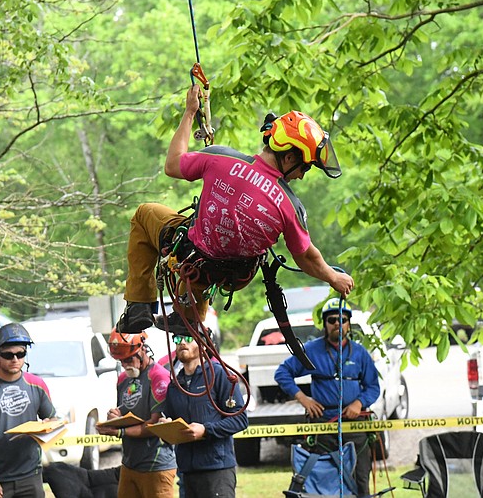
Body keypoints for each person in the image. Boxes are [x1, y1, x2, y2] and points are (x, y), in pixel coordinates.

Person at [116, 84, 354, 334]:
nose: (302, 177)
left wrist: (189, 113)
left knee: (147, 214)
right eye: (304, 168)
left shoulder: (221, 158)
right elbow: (307, 257)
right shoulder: (289, 205)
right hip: (231, 276)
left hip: (194, 253)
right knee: (209, 248)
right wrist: (333, 277)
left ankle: (139, 306)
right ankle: (190, 315)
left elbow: (173, 165)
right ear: (289, 157)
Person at [274, 298, 380, 497]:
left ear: (349, 323)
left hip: (354, 424)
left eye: (343, 319)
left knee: (360, 478)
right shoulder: (312, 350)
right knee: (323, 477)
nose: (337, 324)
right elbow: (282, 373)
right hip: (323, 424)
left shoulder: (359, 353)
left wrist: (359, 403)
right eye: (332, 320)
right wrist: (303, 398)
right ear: (325, 323)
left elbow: (373, 387)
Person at [0, 323, 57, 498]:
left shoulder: (37, 385)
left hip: (31, 476)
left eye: (21, 354)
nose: (15, 359)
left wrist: (47, 427)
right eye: (8, 355)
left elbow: (53, 421)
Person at [162, 330, 248, 498]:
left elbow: (240, 420)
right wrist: (165, 427)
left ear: (203, 346)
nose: (182, 342)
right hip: (186, 472)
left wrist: (205, 430)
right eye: (178, 338)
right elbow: (170, 420)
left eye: (188, 338)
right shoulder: (175, 385)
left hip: (217, 470)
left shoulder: (220, 375)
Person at [96, 329, 176, 498]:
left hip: (156, 465)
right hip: (129, 464)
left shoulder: (159, 377)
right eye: (121, 361)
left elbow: (155, 424)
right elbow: (125, 411)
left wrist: (119, 432)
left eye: (129, 359)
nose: (125, 365)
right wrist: (115, 417)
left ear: (142, 350)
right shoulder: (123, 379)